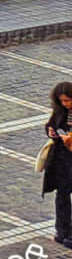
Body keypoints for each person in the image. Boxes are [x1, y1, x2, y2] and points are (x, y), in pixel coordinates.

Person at [46, 80, 72, 247]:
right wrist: (51, 132)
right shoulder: (59, 111)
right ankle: (62, 230)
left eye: (68, 100)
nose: (65, 104)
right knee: (62, 195)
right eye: (62, 101)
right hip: (62, 161)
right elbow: (51, 125)